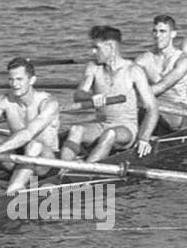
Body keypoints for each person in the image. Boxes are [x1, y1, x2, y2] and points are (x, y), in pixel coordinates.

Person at [61, 25, 157, 163]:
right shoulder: (93, 67)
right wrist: (90, 97)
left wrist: (144, 138)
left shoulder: (133, 71)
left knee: (110, 134)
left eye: (97, 48)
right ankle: (62, 169)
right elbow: (78, 95)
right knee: (76, 130)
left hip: (126, 128)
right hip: (101, 124)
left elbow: (152, 108)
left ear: (111, 47)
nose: (93, 52)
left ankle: (84, 172)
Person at [0, 57, 62, 194]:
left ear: (32, 80)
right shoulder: (4, 101)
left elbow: (28, 134)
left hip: (46, 165)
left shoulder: (48, 103)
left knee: (34, 145)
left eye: (19, 79)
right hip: (17, 158)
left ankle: (11, 191)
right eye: (11, 79)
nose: (14, 84)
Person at [135, 15, 187, 131]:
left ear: (173, 34)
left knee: (149, 104)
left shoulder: (182, 61)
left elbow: (163, 86)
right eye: (155, 31)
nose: (158, 36)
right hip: (151, 106)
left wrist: (132, 96)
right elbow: (126, 77)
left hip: (178, 112)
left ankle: (142, 140)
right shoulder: (144, 58)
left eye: (162, 31)